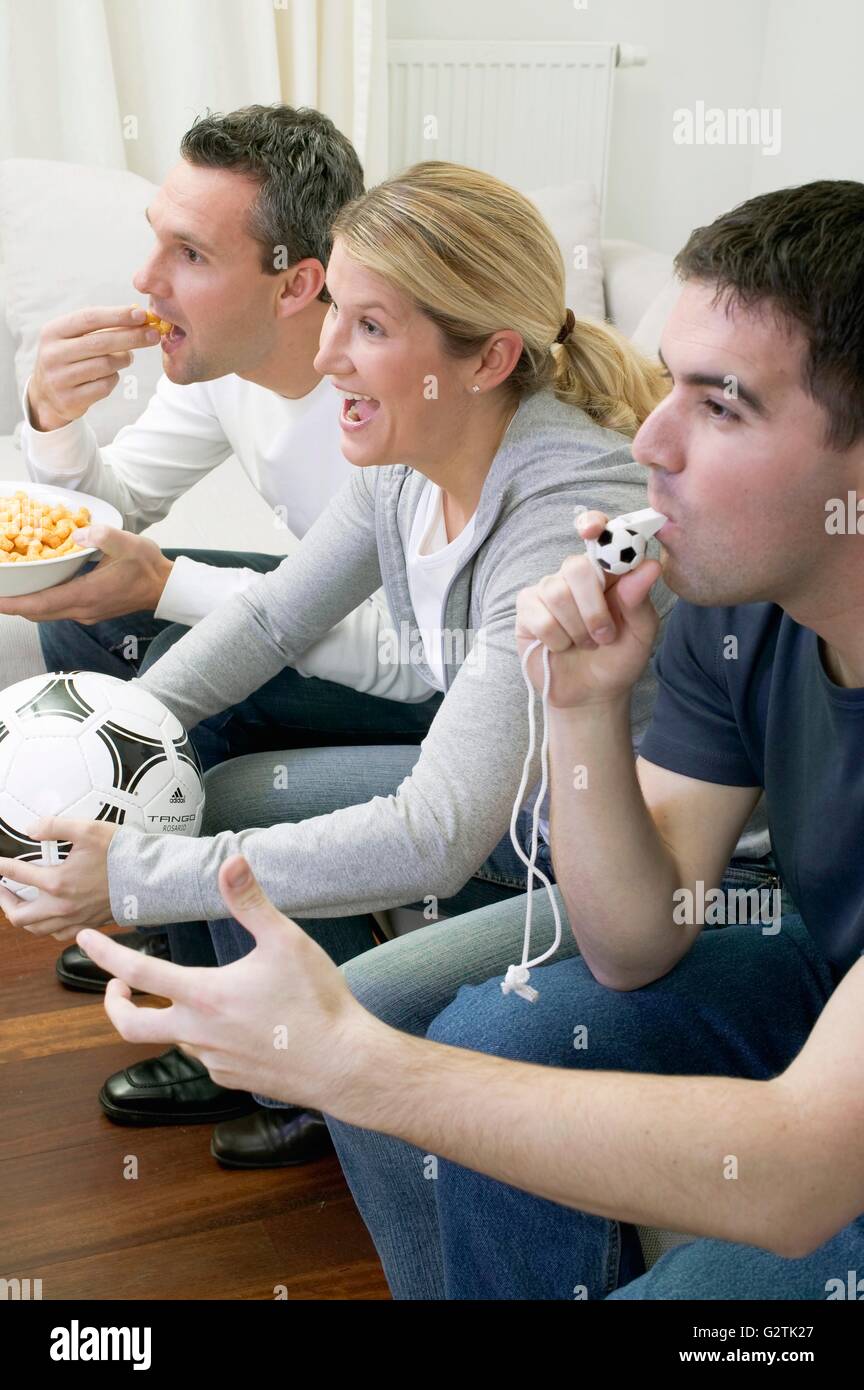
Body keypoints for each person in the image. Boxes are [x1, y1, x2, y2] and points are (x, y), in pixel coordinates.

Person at [71, 178, 864, 1300]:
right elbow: (634, 944)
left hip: (791, 1011)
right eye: (670, 385)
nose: (648, 438)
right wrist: (582, 702)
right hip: (793, 957)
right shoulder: (731, 603)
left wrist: (355, 1060)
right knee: (492, 1026)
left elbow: (802, 1170)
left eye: (721, 406)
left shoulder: (578, 498)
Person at [0, 160, 686, 1169]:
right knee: (227, 789)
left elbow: (439, 833)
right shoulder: (411, 448)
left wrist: (137, 876)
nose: (325, 358)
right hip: (511, 801)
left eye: (368, 327)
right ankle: (291, 1070)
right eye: (336, 316)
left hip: (596, 846)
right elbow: (277, 617)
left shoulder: (556, 508)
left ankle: (314, 1071)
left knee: (333, 1024)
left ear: (489, 358)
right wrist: (98, 745)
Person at [0, 103, 440, 1003]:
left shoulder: (390, 390)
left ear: (293, 284)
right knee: (104, 607)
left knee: (170, 642)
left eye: (190, 256)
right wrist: (54, 422)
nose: (144, 277)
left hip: (445, 673)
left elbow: (418, 653)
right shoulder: (225, 371)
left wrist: (166, 584)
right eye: (156, 241)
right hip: (355, 620)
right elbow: (109, 516)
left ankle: (242, 1015)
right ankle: (158, 908)